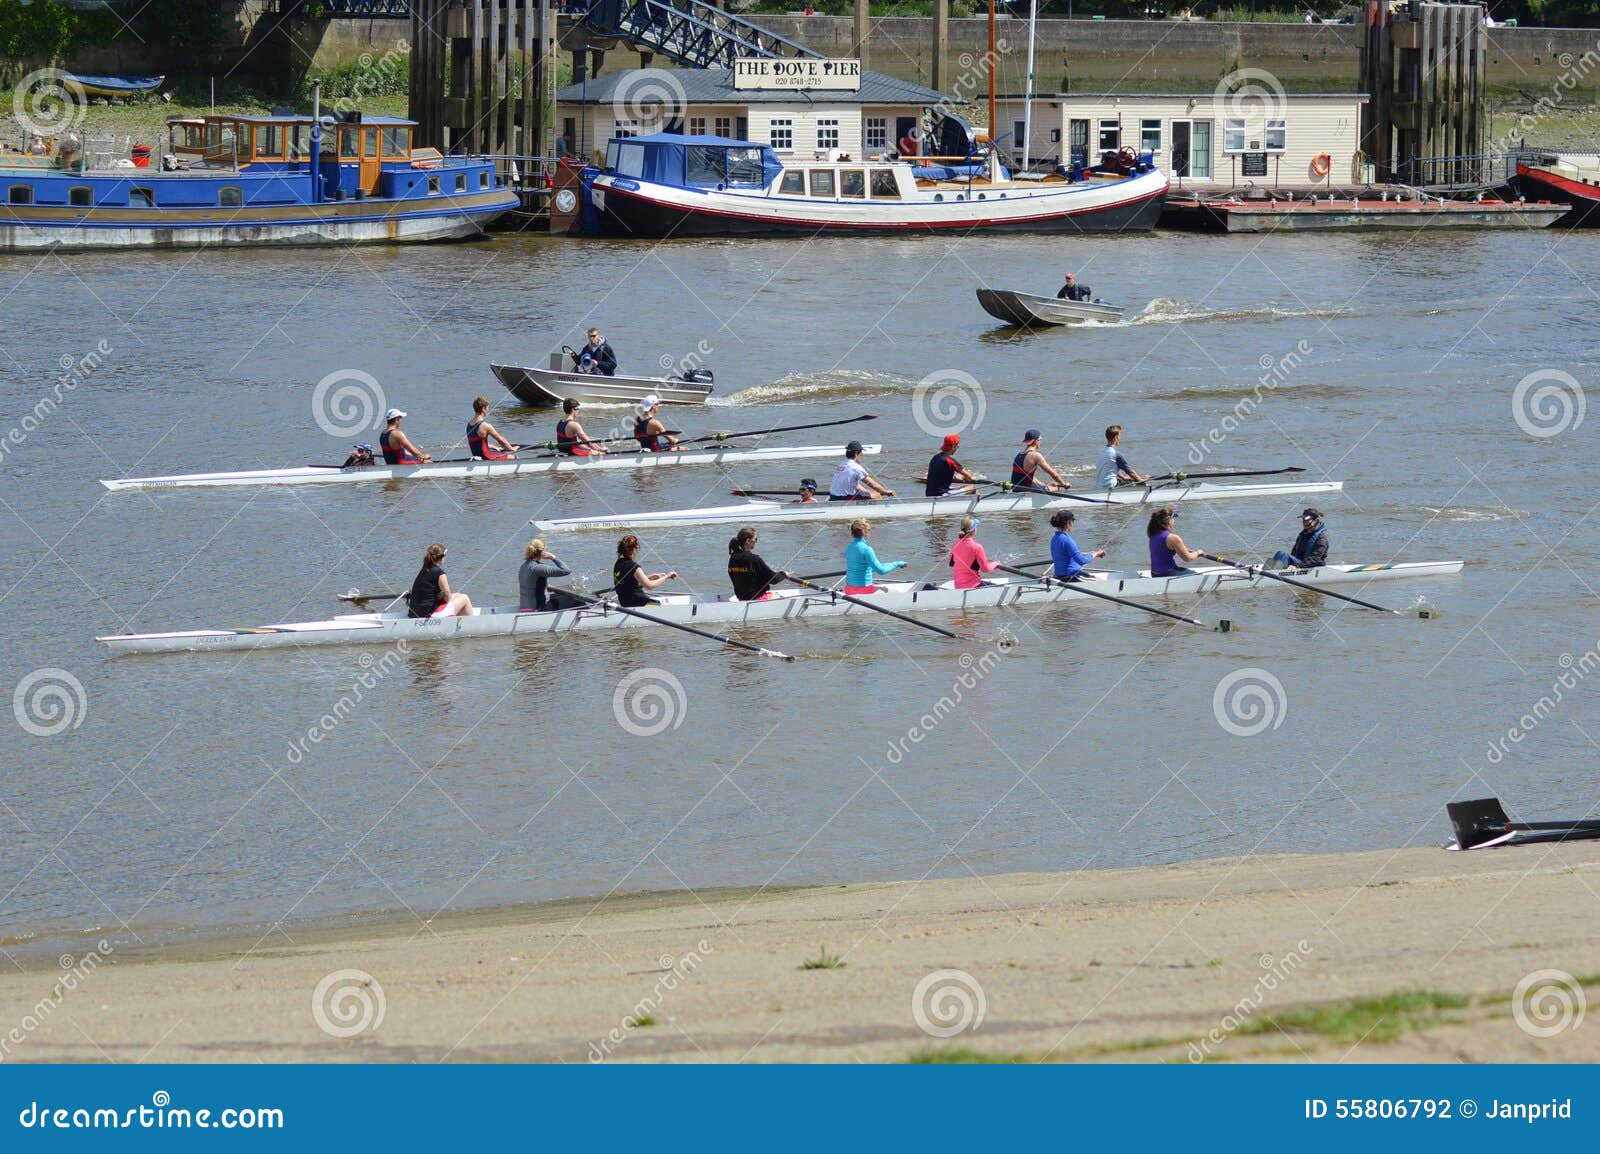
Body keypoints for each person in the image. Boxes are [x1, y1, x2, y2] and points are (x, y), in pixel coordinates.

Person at [408, 543, 472, 618]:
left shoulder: (423, 570)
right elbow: (448, 598)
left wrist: (440, 596)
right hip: (429, 615)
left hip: (415, 613)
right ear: (441, 558)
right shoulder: (440, 574)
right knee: (464, 598)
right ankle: (472, 624)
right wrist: (441, 596)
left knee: (458, 595)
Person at [612, 534, 677, 607]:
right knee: (666, 605)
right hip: (638, 602)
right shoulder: (634, 567)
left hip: (624, 602)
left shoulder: (618, 563)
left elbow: (629, 581)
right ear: (634, 549)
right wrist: (666, 576)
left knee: (654, 600)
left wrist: (651, 577)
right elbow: (650, 586)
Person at [845, 518, 905, 594]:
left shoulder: (849, 547)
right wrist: (897, 564)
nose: (870, 532)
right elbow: (881, 571)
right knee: (896, 592)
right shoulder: (867, 549)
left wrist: (886, 564)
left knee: (878, 586)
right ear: (864, 531)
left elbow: (863, 567)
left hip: (848, 590)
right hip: (864, 590)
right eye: (869, 530)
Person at [727, 526, 788, 601]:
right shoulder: (754, 559)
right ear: (748, 541)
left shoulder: (732, 558)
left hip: (741, 598)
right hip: (757, 598)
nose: (756, 542)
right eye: (755, 539)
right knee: (781, 597)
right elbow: (773, 580)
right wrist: (783, 574)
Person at [1049, 510, 1106, 581]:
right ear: (1069, 523)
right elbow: (1082, 561)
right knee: (1101, 581)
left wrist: (1088, 553)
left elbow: (1066, 554)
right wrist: (1095, 554)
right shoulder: (1067, 540)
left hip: (1059, 575)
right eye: (1073, 521)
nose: (1073, 524)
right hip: (1071, 576)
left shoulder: (1054, 538)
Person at [518, 538, 571, 612]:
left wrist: (546, 586)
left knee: (559, 596)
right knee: (574, 600)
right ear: (542, 552)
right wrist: (553, 557)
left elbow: (532, 585)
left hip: (525, 608)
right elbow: (566, 570)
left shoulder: (523, 566)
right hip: (538, 609)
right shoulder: (538, 568)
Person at [1147, 507, 1203, 577]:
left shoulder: (1153, 535)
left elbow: (1163, 550)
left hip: (1154, 574)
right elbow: (1188, 558)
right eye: (1173, 518)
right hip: (1168, 573)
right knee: (1200, 575)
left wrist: (1185, 549)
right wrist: (1198, 553)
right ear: (1168, 520)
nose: (1174, 520)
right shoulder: (1173, 538)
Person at [830, 440, 894, 501]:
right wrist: (885, 491)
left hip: (833, 496)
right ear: (856, 454)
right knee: (877, 495)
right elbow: (873, 484)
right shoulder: (856, 467)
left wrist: (869, 492)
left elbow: (856, 486)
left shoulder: (842, 464)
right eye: (861, 453)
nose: (861, 455)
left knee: (871, 493)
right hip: (844, 498)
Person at [947, 515, 998, 590]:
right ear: (974, 530)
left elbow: (950, 563)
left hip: (958, 586)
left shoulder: (955, 544)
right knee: (1001, 587)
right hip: (973, 586)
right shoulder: (977, 547)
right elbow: (985, 569)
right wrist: (995, 564)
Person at [1096, 425, 1148, 489]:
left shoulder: (1101, 452)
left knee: (1128, 480)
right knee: (1137, 483)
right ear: (1116, 437)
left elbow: (1109, 467)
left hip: (1099, 486)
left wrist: (1123, 477)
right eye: (1120, 436)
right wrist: (1142, 481)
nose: (1120, 438)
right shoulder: (1116, 454)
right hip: (1110, 486)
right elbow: (1131, 473)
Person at [466, 396, 517, 460]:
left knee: (497, 450)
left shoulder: (469, 424)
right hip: (487, 456)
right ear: (483, 409)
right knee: (514, 457)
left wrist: (493, 447)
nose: (488, 410)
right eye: (487, 407)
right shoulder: (485, 426)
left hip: (477, 455)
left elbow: (476, 443)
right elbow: (501, 440)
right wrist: (512, 449)